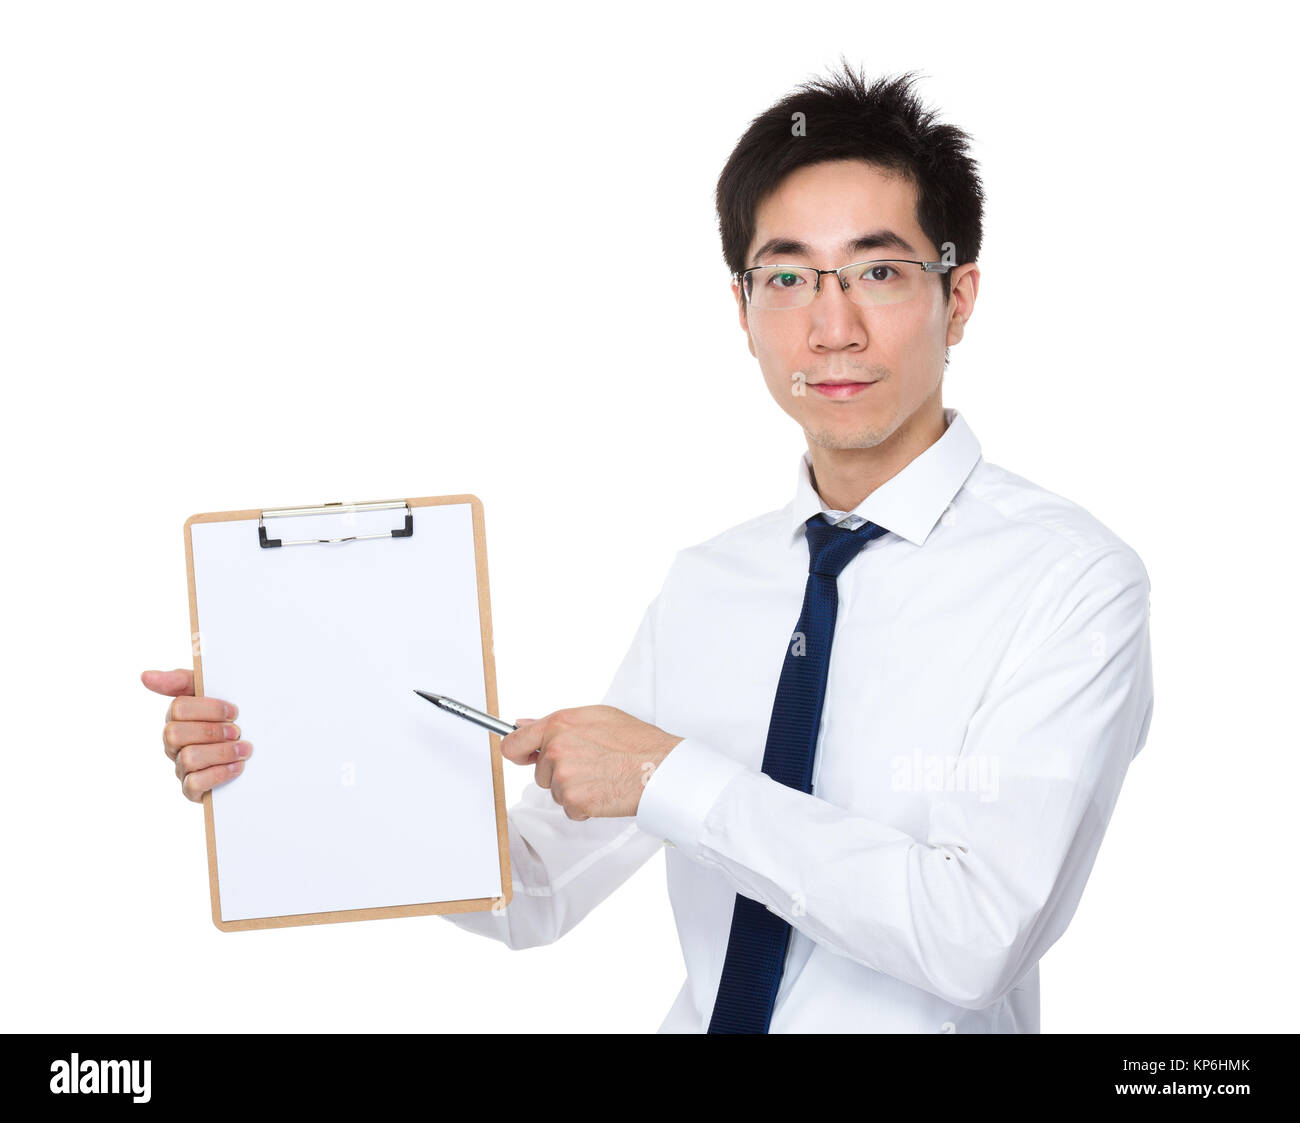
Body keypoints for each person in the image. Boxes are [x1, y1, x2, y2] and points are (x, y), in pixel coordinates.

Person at [143, 63, 1154, 1033]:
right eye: (788, 275)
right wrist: (300, 748)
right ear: (743, 310)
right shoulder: (713, 583)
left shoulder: (1069, 583)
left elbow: (972, 937)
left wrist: (671, 773)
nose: (831, 325)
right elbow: (534, 891)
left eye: (878, 271)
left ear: (958, 298)